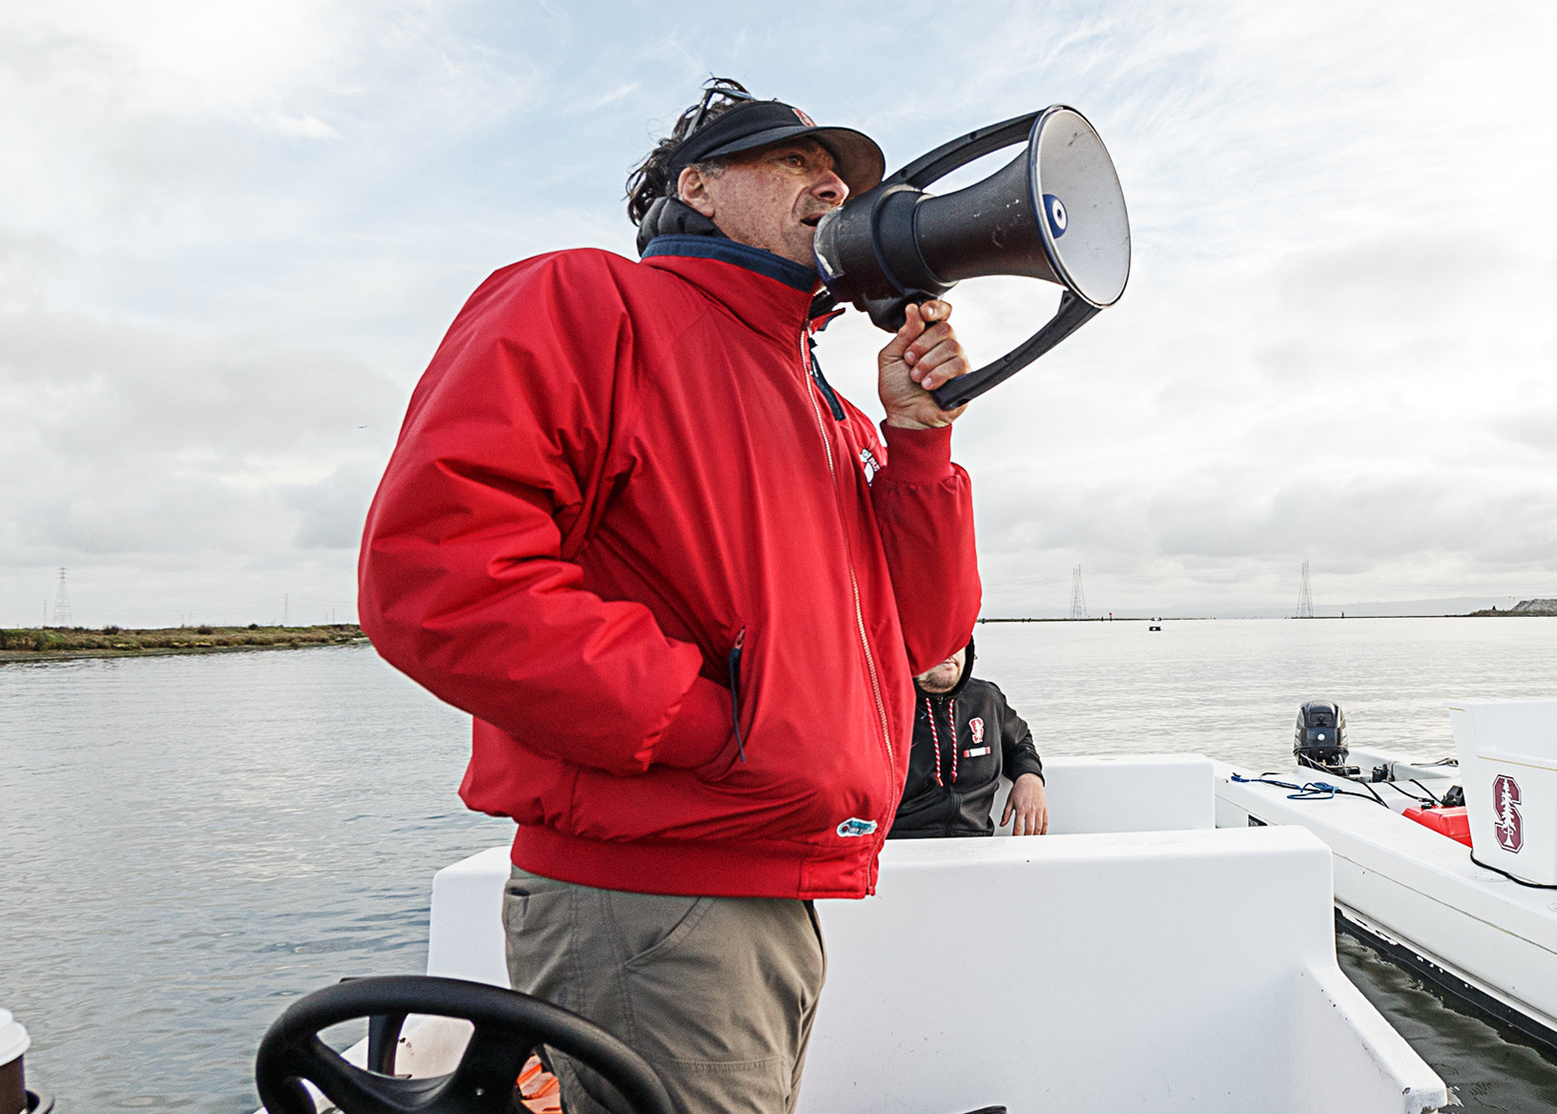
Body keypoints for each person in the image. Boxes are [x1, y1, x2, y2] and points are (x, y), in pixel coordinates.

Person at [357, 78, 983, 1114]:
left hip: (765, 883)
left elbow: (922, 636)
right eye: (794, 161)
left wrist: (919, 443)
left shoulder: (822, 402)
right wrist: (712, 729)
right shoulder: (588, 301)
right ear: (696, 186)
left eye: (840, 175)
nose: (833, 185)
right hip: (649, 894)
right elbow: (438, 574)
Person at [889, 643, 1048, 839]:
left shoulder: (986, 699)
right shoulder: (881, 705)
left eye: (957, 641)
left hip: (976, 842)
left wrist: (1029, 777)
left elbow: (1019, 741)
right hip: (897, 845)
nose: (948, 649)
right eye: (937, 640)